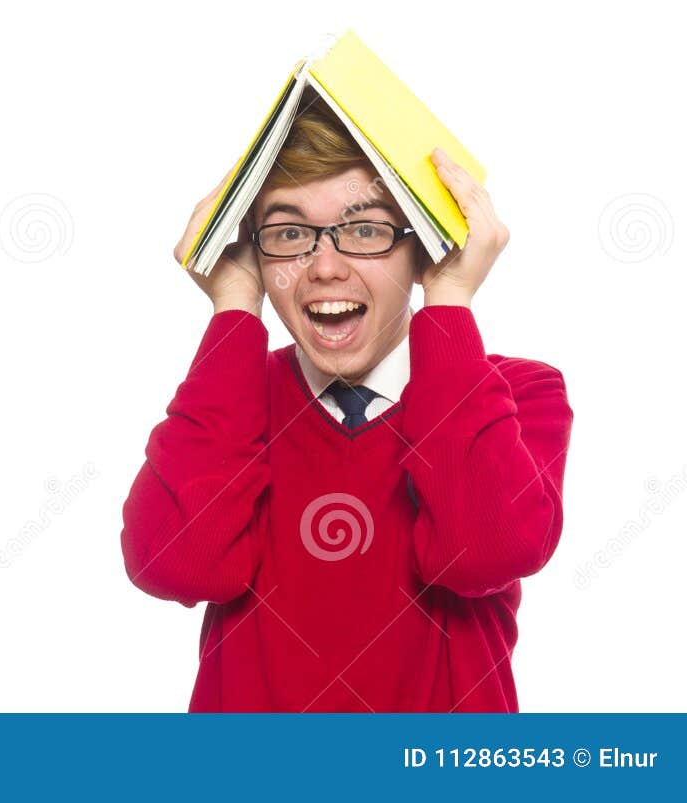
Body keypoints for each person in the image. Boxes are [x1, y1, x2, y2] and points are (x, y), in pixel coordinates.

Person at [120, 98, 572, 712]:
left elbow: (482, 552)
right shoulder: (231, 396)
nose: (323, 267)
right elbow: (179, 566)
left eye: (366, 230)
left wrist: (449, 300)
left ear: (424, 249)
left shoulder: (520, 393)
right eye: (289, 233)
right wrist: (233, 307)